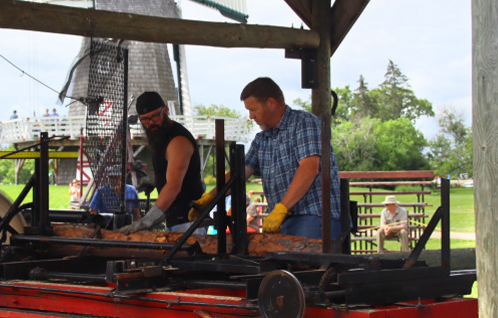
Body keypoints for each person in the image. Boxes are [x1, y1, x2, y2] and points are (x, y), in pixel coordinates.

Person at [192, 77, 346, 241]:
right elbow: (239, 174)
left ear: (271, 103)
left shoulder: (304, 123)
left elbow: (309, 168)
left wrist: (281, 208)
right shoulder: (261, 139)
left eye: (253, 109)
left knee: (308, 266)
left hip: (314, 216)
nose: (251, 116)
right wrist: (210, 197)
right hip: (284, 218)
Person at [120, 91, 204, 235]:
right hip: (175, 220)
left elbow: (173, 186)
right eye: (145, 119)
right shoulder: (160, 136)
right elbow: (174, 171)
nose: (151, 122)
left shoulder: (178, 140)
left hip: (188, 221)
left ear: (165, 110)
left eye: (154, 116)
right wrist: (156, 180)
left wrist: (147, 220)